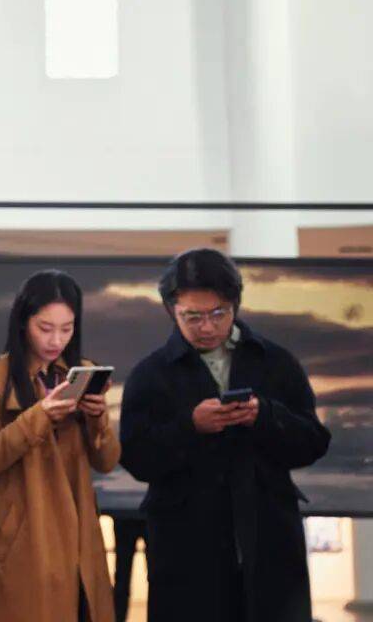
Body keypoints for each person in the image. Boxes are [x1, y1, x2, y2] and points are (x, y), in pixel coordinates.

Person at [119, 248, 330, 622]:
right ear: (171, 310)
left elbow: (314, 441)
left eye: (218, 313)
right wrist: (190, 426)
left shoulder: (274, 360)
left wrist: (265, 415)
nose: (207, 326)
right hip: (187, 544)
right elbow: (136, 458)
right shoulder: (151, 373)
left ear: (235, 305)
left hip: (267, 535)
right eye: (192, 316)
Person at [0, 270, 119, 622]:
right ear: (23, 322)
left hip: (79, 527)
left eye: (67, 329)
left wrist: (98, 417)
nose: (56, 340)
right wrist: (40, 415)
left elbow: (107, 461)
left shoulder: (83, 372)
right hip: (23, 534)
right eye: (45, 328)